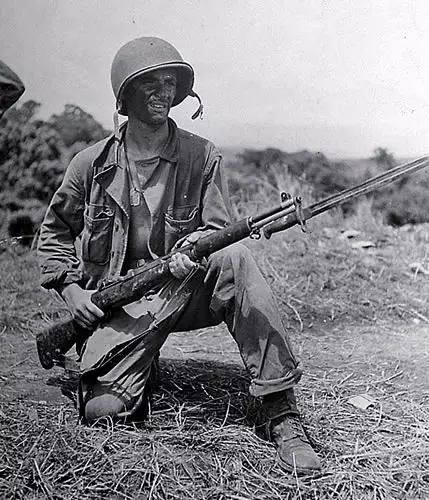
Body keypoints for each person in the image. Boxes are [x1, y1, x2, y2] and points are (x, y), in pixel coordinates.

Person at [37, 37, 321, 474]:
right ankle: (136, 365)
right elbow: (54, 236)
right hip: (119, 304)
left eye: (170, 82)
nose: (164, 91)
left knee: (237, 258)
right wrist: (72, 292)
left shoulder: (201, 155)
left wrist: (193, 248)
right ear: (125, 94)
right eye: (151, 82)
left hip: (182, 288)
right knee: (105, 413)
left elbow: (215, 229)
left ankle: (281, 411)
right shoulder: (90, 165)